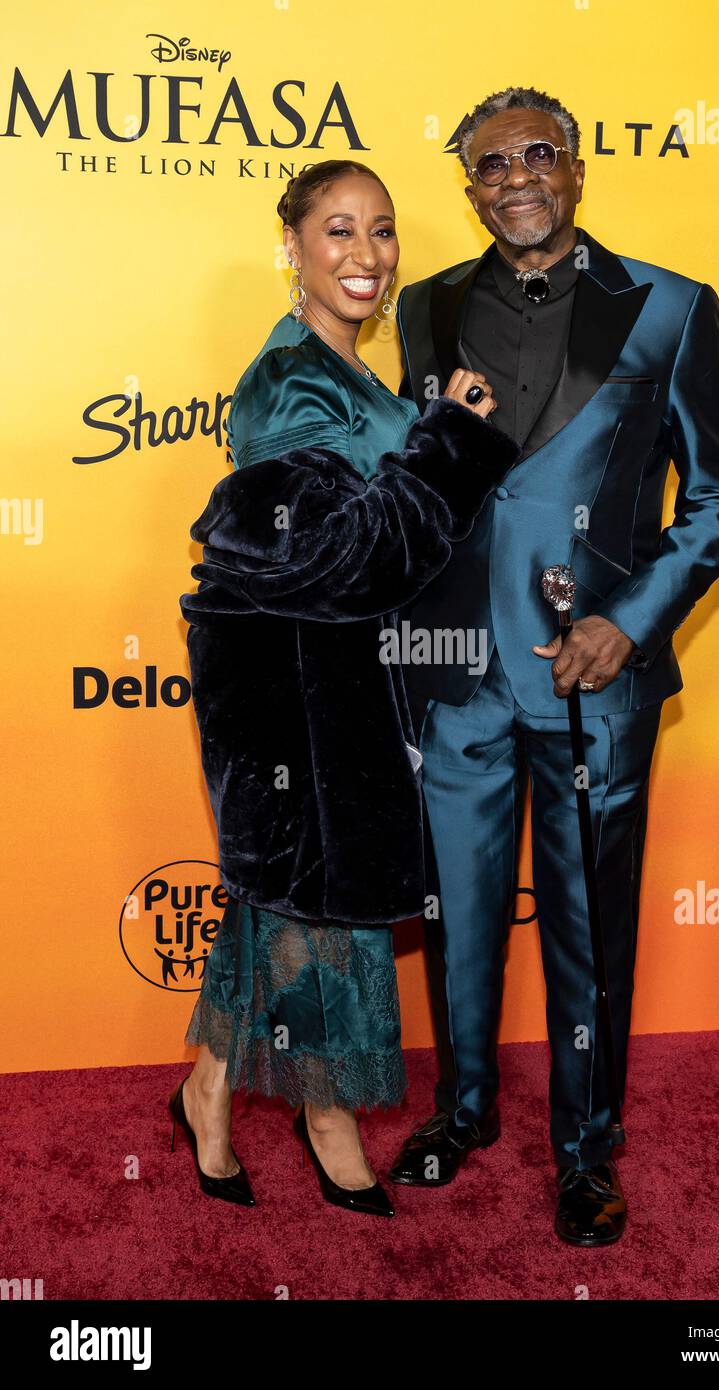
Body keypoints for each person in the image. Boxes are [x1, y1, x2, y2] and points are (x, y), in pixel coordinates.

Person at [388, 86, 719, 1245]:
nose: (516, 177)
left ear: (577, 166)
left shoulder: (668, 308)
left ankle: (586, 1151)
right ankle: (463, 1108)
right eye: (490, 164)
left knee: (589, 924)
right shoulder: (425, 308)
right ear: (470, 187)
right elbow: (422, 476)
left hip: (588, 675)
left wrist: (629, 623)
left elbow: (717, 499)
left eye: (537, 153)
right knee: (459, 915)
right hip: (457, 675)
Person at [172, 159, 520, 1217]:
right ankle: (325, 1115)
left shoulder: (348, 374)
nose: (365, 255)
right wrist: (453, 439)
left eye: (380, 231)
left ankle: (209, 1086)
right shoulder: (292, 383)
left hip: (330, 687)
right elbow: (343, 558)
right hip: (295, 693)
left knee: (283, 899)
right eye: (336, 230)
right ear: (291, 246)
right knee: (321, 912)